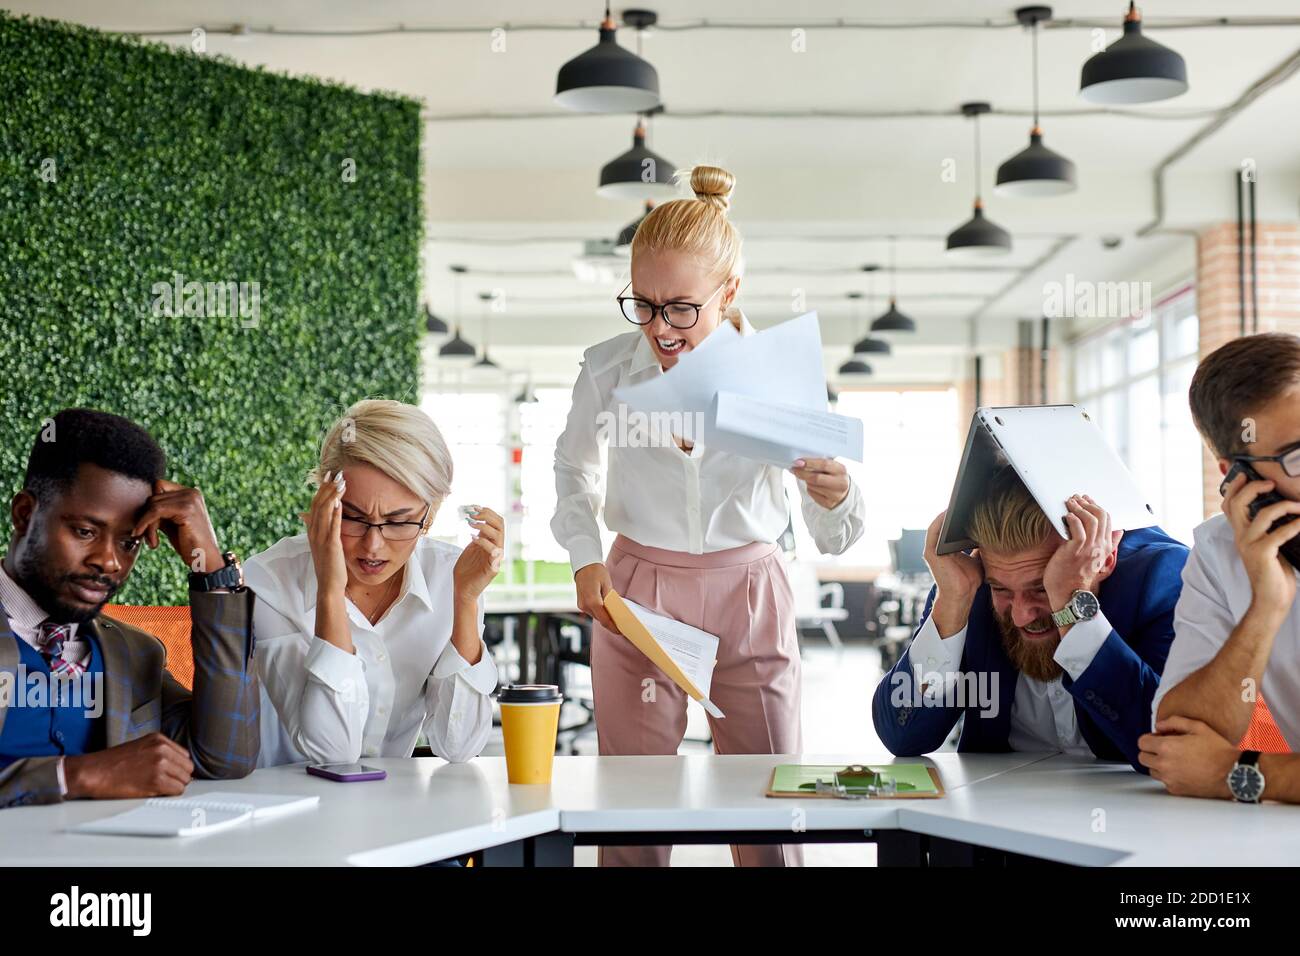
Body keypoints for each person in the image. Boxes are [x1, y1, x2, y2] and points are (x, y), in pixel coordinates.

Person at [552, 164, 866, 867]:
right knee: (631, 812)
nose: (660, 328)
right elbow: (572, 466)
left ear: (729, 293)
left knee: (768, 809)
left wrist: (834, 494)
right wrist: (584, 554)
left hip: (749, 589)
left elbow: (835, 534)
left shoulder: (780, 376)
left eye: (682, 308)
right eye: (643, 304)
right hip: (637, 592)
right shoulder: (606, 370)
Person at [0, 408, 257, 808]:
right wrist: (75, 775)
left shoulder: (135, 654)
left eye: (129, 542)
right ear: (24, 515)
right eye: (85, 532)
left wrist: (211, 567)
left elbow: (226, 757)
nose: (109, 561)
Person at [873, 467, 1188, 770]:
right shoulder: (971, 586)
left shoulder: (1165, 577)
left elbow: (1170, 744)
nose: (1022, 615)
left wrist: (1073, 605)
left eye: (1041, 588)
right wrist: (952, 603)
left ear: (1102, 556)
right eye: (1002, 589)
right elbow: (903, 737)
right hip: (992, 814)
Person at [246, 399, 502, 767]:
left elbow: (459, 747)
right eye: (352, 517)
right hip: (284, 808)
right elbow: (331, 754)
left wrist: (466, 599)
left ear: (431, 514)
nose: (373, 546)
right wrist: (330, 592)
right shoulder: (271, 583)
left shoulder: (452, 577)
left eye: (399, 522)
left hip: (393, 810)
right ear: (323, 500)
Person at [1143, 333, 1300, 802]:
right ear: (1238, 477)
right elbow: (1177, 746)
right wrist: (1267, 605)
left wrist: (1242, 773)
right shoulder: (1220, 552)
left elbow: (1206, 768)